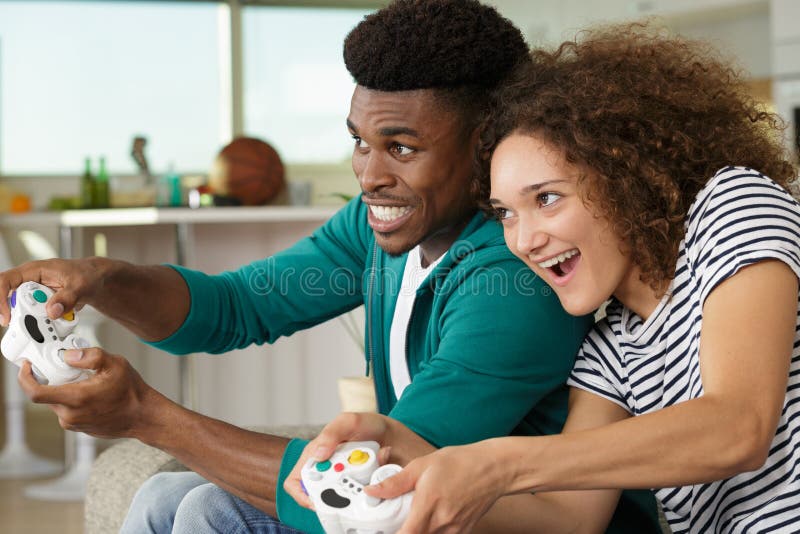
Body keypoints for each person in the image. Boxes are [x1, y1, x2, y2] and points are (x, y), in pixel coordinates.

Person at [0, 3, 659, 534]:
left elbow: (371, 487)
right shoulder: (382, 226)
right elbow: (235, 307)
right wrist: (102, 279)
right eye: (359, 142)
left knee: (211, 511)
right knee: (163, 493)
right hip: (406, 502)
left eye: (402, 147)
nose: (370, 175)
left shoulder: (513, 278)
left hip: (461, 514)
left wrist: (144, 415)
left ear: (488, 144)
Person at [289, 23, 800, 533]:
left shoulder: (731, 207)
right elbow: (566, 518)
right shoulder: (612, 351)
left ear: (622, 176)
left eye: (547, 199)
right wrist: (406, 462)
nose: (524, 240)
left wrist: (500, 463)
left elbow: (738, 427)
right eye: (505, 213)